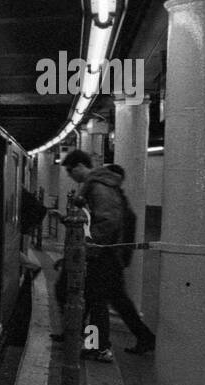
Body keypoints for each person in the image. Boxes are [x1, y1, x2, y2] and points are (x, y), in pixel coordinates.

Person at [59, 150, 156, 360]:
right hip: (108, 253)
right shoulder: (100, 184)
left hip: (102, 254)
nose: (69, 176)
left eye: (69, 171)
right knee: (115, 300)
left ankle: (98, 347)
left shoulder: (98, 187)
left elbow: (108, 221)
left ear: (78, 167)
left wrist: (88, 243)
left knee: (95, 300)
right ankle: (141, 337)